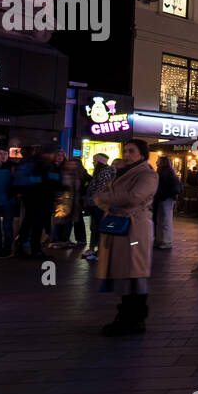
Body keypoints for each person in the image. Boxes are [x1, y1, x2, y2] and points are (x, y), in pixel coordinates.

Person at [94, 138, 158, 335]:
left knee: (134, 272)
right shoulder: (122, 173)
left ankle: (132, 318)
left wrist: (106, 199)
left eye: (132, 151)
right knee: (125, 273)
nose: (127, 155)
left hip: (135, 231)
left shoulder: (147, 175)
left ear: (142, 154)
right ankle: (129, 317)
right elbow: (103, 197)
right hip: (122, 227)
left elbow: (133, 198)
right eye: (126, 151)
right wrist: (108, 200)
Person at [81, 152, 116, 261]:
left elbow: (100, 189)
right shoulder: (102, 172)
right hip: (96, 203)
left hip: (99, 204)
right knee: (95, 227)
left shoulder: (104, 173)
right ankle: (95, 249)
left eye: (94, 161)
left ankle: (100, 251)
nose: (93, 162)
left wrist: (92, 199)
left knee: (99, 227)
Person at [50, 156, 85, 247]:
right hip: (63, 201)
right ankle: (55, 240)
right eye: (71, 164)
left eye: (75, 164)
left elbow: (78, 189)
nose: (73, 166)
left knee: (69, 221)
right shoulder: (62, 173)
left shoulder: (78, 174)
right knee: (60, 220)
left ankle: (65, 239)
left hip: (73, 201)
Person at [152, 156, 180, 249]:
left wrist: (161, 196)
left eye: (158, 161)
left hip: (164, 198)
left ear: (162, 163)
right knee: (162, 219)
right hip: (166, 198)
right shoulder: (169, 172)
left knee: (164, 220)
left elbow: (164, 186)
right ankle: (161, 240)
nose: (156, 162)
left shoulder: (165, 173)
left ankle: (165, 241)